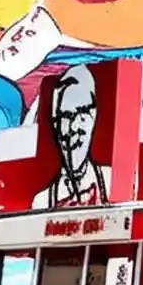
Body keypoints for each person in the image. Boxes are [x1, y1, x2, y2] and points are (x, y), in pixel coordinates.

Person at [32, 65, 110, 208]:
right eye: (67, 116)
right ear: (55, 124)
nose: (74, 127)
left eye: (82, 113)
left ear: (93, 117)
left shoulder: (112, 180)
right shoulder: (42, 202)